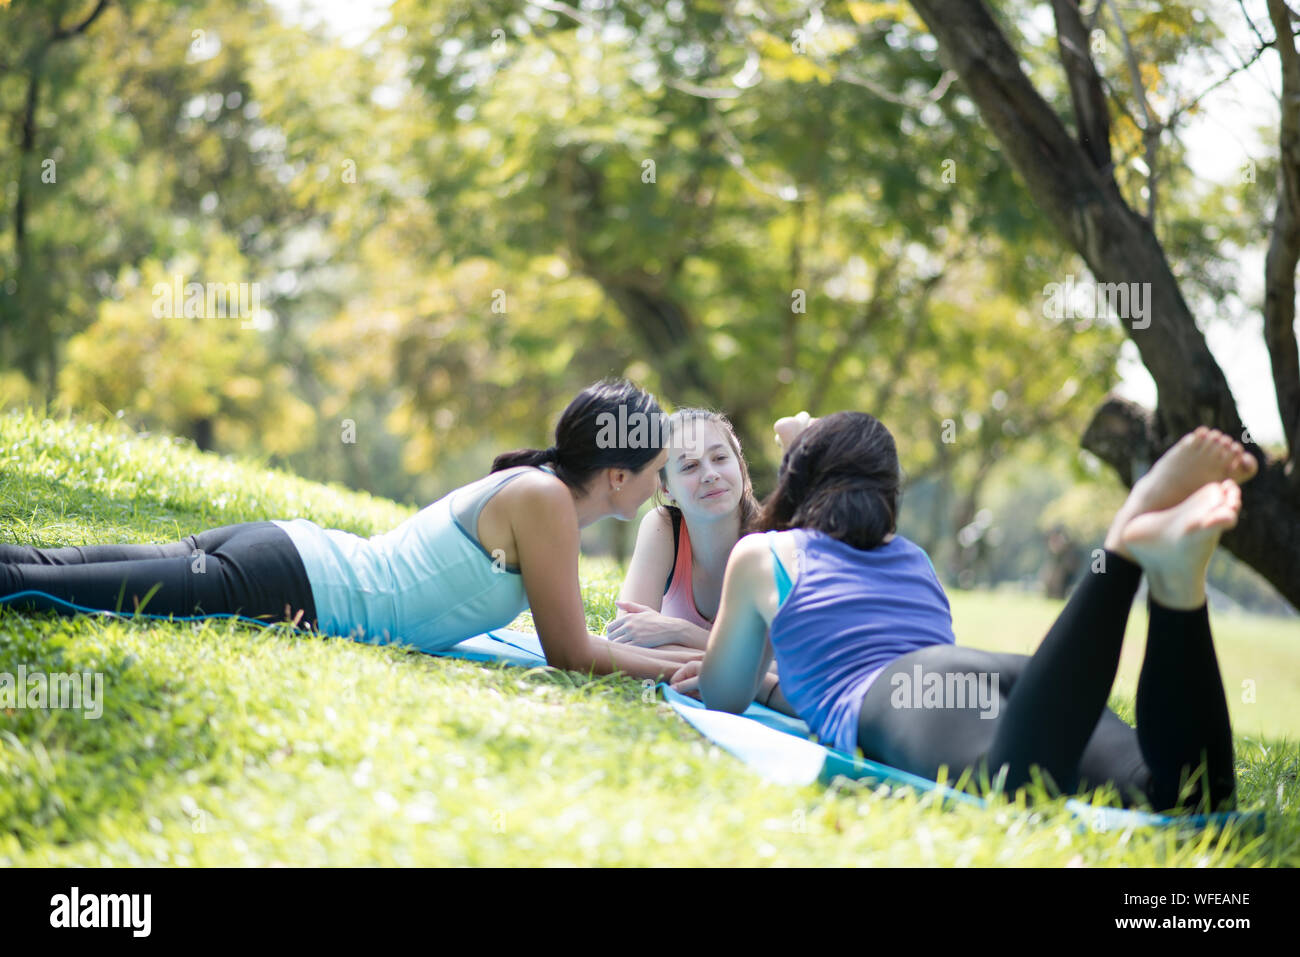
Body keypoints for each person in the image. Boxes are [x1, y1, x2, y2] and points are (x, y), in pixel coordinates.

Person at [670, 415, 1257, 813]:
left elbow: (723, 695)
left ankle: (1125, 549)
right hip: (1001, 678)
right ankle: (1178, 587)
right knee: (1187, 794)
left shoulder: (763, 553)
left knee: (1013, 786)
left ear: (796, 482)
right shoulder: (911, 557)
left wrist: (721, 670)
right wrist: (807, 441)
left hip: (906, 691)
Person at [0, 380, 699, 682]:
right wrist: (683, 671)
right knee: (33, 584)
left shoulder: (538, 492)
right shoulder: (543, 499)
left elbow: (573, 641)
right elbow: (571, 653)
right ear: (616, 474)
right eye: (657, 471)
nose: (660, 487)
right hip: (284, 581)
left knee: (36, 562)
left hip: (286, 554)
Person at [605, 409, 760, 651]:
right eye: (689, 466)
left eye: (719, 458)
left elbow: (783, 666)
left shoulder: (772, 539)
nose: (710, 474)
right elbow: (627, 637)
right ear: (666, 488)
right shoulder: (663, 528)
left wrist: (679, 631)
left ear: (740, 466)